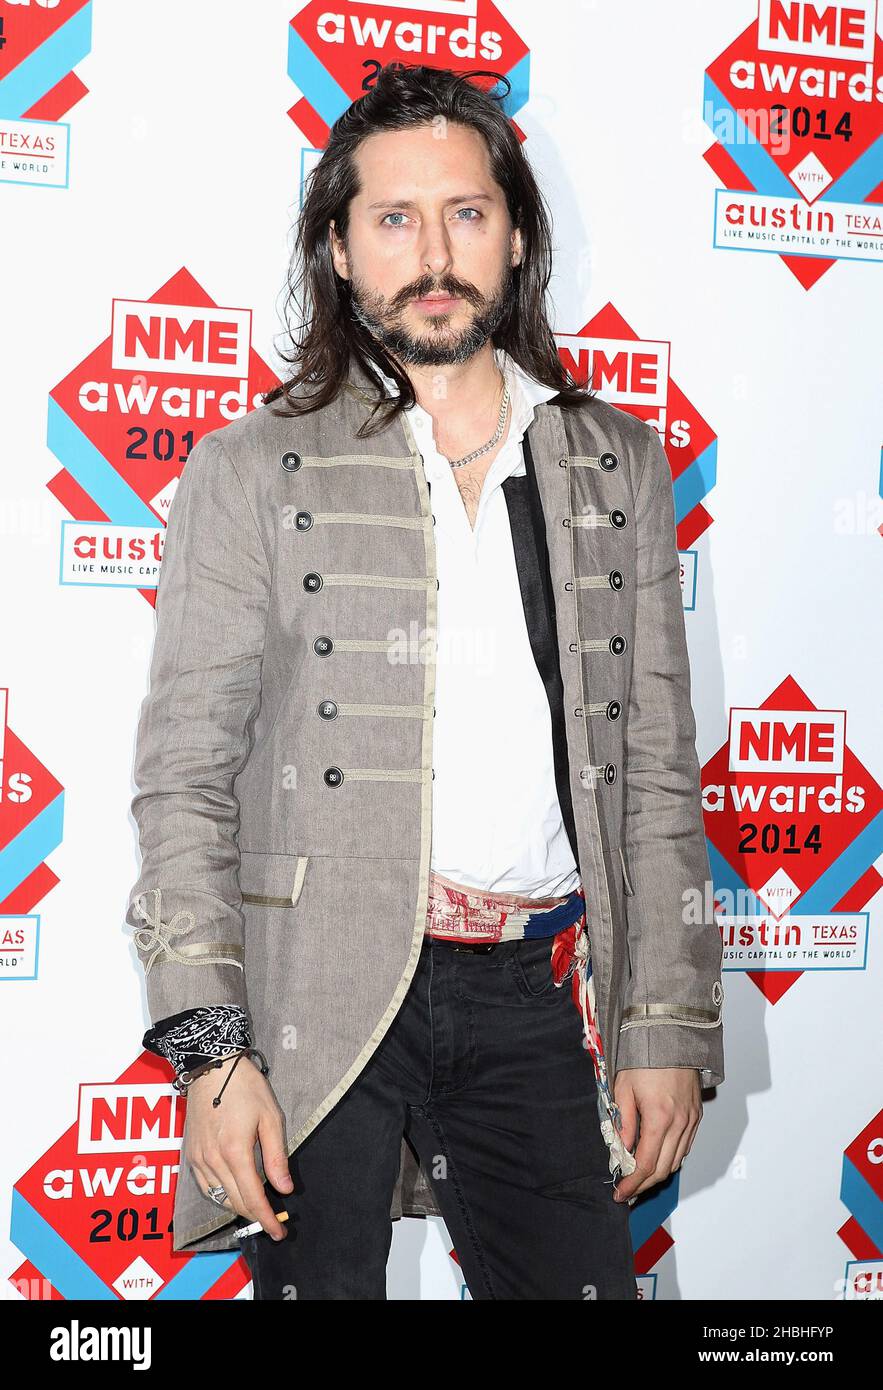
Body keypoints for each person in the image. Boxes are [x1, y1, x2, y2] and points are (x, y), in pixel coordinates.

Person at [126, 63, 724, 1300]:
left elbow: (655, 769)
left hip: (521, 989)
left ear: (515, 235)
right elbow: (184, 777)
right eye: (394, 219)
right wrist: (209, 1051)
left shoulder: (612, 460)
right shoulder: (251, 466)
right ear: (338, 250)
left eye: (466, 212)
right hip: (315, 997)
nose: (434, 251)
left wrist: (661, 1023)